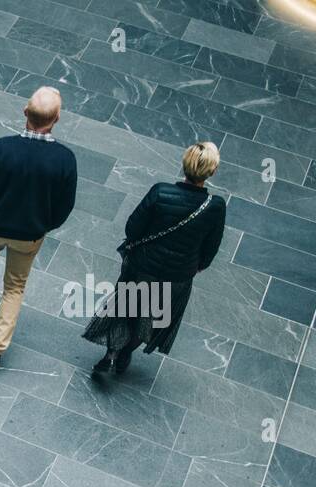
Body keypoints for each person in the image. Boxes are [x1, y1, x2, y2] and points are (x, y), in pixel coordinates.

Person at [0, 86, 77, 371]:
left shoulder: (1, 148)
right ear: (56, 119)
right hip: (29, 234)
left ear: (25, 112)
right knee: (15, 287)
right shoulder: (64, 159)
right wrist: (45, 225)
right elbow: (64, 206)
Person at [83, 142, 227, 374]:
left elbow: (133, 228)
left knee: (125, 309)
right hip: (178, 275)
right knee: (152, 319)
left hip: (142, 266)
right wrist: (199, 265)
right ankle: (125, 353)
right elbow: (212, 245)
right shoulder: (215, 206)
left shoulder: (160, 192)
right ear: (212, 171)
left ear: (184, 164)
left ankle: (110, 353)